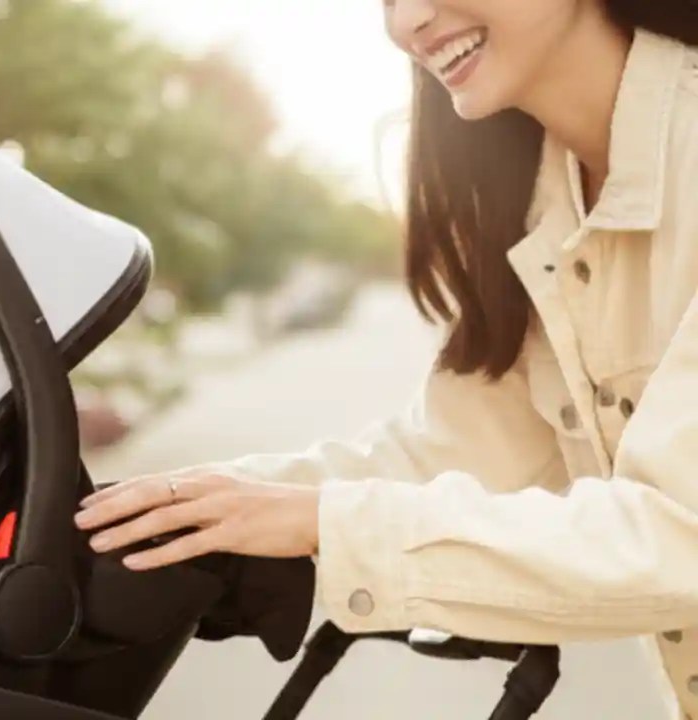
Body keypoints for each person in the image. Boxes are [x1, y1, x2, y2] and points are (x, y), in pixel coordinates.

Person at [74, 0, 698, 716]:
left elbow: (681, 530)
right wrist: (197, 507)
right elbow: (454, 455)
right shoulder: (535, 203)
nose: (409, 22)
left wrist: (326, 524)